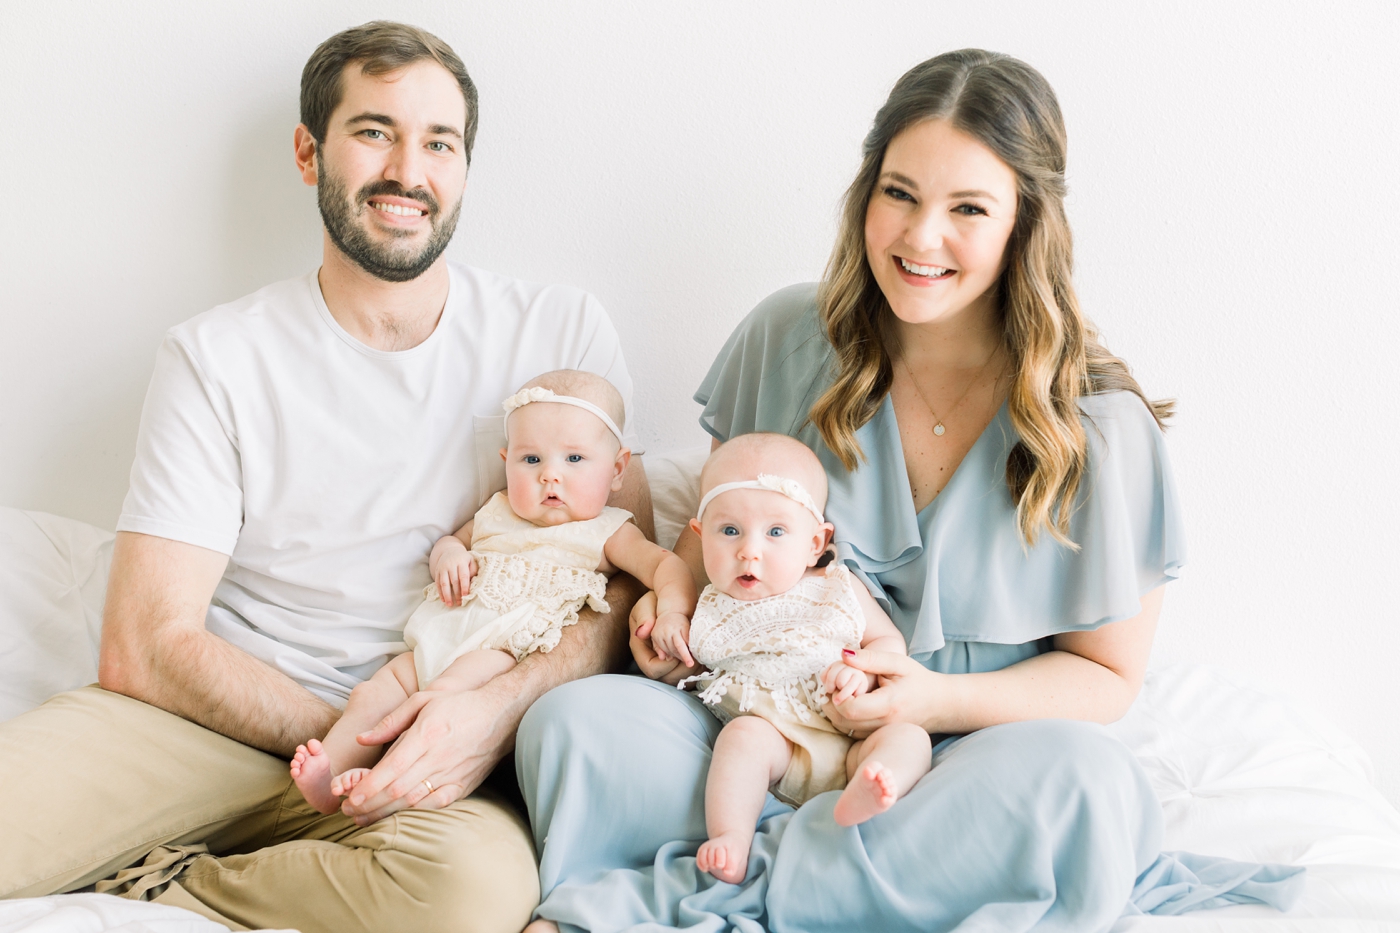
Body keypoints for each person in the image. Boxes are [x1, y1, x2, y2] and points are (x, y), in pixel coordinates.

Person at [515, 50, 1304, 932]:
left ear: (1024, 224)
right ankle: (816, 878)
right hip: (764, 730)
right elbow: (707, 549)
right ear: (866, 195)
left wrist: (928, 701)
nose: (920, 238)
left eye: (968, 208)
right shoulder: (784, 338)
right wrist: (671, 617)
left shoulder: (1100, 429)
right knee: (576, 724)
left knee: (1088, 787)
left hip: (963, 761)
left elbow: (1106, 679)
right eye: (899, 194)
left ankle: (713, 888)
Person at [0, 21, 651, 933]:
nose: (408, 171)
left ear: (464, 167)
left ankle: (166, 882)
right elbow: (145, 642)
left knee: (472, 895)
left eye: (439, 143)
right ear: (311, 152)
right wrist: (345, 726)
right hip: (212, 721)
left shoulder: (560, 334)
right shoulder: (217, 356)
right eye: (374, 131)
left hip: (434, 746)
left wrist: (489, 715)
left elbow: (625, 584)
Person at [292, 371, 695, 814]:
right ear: (506, 461)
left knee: (445, 697)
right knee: (372, 695)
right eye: (531, 460)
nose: (550, 477)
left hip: (500, 653)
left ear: (617, 469)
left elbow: (664, 564)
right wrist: (448, 557)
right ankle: (328, 777)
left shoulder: (607, 532)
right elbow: (451, 542)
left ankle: (385, 777)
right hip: (436, 640)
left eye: (574, 459)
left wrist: (674, 611)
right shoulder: (496, 510)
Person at [636, 433, 931, 884]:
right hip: (778, 744)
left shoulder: (838, 586)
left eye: (776, 532)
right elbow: (690, 666)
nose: (749, 550)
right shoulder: (710, 603)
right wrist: (670, 626)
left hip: (850, 727)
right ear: (699, 534)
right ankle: (731, 836)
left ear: (816, 542)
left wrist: (864, 676)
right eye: (729, 530)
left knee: (910, 738)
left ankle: (871, 785)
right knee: (741, 739)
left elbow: (887, 642)